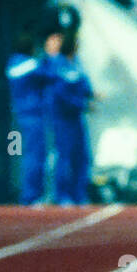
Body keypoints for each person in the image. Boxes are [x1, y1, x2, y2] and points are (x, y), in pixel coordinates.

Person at [6, 30, 57, 205]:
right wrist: (51, 54)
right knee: (35, 156)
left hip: (18, 116)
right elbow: (51, 75)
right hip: (33, 116)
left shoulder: (12, 64)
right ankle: (32, 195)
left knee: (22, 154)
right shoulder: (32, 65)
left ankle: (27, 193)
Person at [46, 29, 93, 206]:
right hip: (62, 118)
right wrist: (81, 103)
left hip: (76, 118)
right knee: (63, 157)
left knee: (81, 156)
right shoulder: (57, 64)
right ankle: (62, 195)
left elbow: (84, 84)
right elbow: (60, 93)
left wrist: (91, 95)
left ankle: (79, 194)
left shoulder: (77, 63)